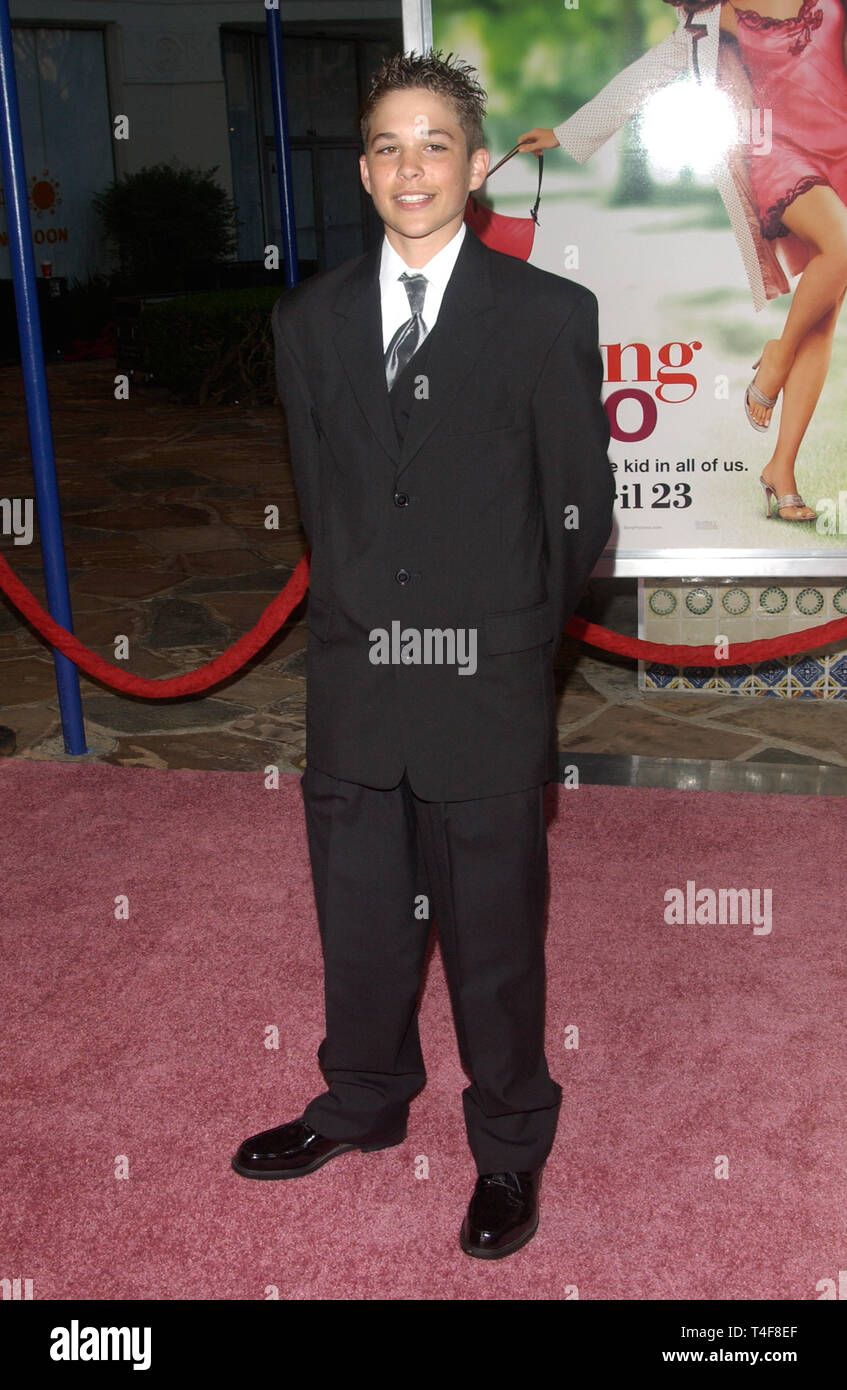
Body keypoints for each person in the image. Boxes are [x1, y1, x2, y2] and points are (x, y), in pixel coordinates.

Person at [232, 49, 615, 1261]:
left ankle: (508, 1144)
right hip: (355, 679)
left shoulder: (545, 316)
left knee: (495, 935)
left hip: (485, 682)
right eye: (388, 145)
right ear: (362, 167)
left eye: (435, 144)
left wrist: (509, 652)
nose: (411, 166)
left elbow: (577, 516)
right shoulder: (307, 318)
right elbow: (328, 502)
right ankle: (362, 1101)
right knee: (360, 920)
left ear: (475, 167)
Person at [517, 0, 847, 523]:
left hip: (842, 147)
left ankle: (780, 468)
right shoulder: (713, 22)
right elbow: (644, 78)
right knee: (843, 246)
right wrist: (567, 133)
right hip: (780, 155)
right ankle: (779, 358)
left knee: (823, 318)